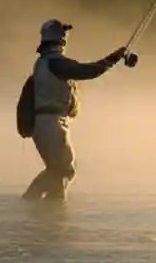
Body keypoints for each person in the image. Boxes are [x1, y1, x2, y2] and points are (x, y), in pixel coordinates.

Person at [22, 19, 131, 202]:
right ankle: (31, 202)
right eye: (63, 34)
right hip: (51, 123)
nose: (65, 38)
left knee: (57, 171)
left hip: (46, 123)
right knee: (63, 169)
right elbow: (89, 71)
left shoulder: (44, 62)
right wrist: (115, 57)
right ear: (59, 40)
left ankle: (45, 213)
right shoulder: (56, 62)